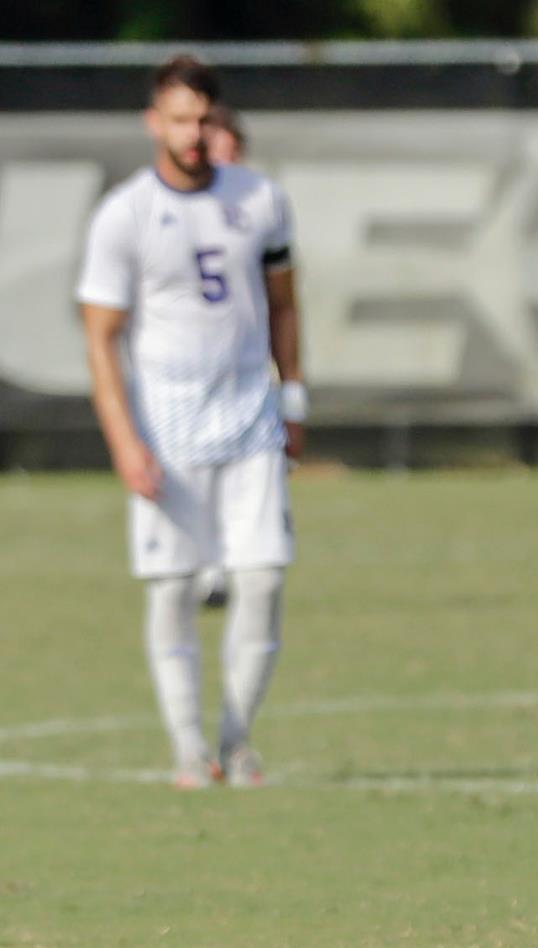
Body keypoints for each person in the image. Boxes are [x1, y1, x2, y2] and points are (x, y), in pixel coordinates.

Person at [78, 55, 307, 790]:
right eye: (180, 119)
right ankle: (187, 748)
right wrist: (124, 440)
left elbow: (283, 304)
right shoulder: (125, 213)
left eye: (204, 119)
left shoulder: (260, 198)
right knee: (173, 586)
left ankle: (237, 742)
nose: (193, 133)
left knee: (262, 578)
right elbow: (101, 337)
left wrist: (293, 398)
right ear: (155, 122)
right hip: (167, 423)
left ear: (218, 122)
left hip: (249, 415)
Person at [193, 98, 250, 611]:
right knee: (197, 467)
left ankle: (225, 564)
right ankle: (205, 562)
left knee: (239, 467)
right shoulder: (167, 208)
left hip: (243, 363)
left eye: (229, 151)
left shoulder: (258, 211)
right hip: (185, 365)